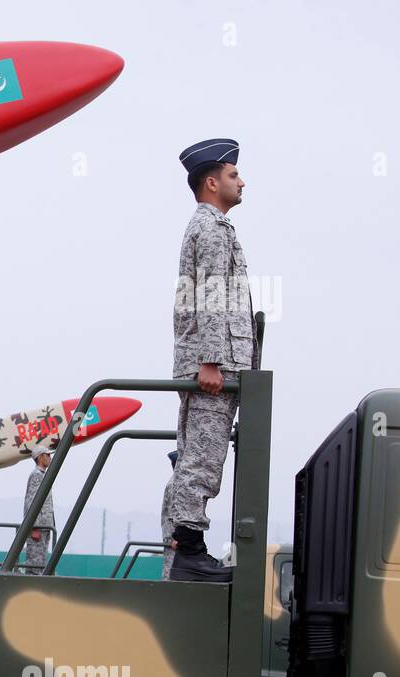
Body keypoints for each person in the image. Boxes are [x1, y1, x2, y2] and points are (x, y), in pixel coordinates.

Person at [165, 138, 260, 582]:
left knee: (199, 455)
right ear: (211, 182)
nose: (241, 181)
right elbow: (211, 296)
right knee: (202, 459)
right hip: (213, 367)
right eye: (233, 175)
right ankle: (189, 550)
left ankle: (187, 548)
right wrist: (210, 361)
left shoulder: (213, 227)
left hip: (217, 362)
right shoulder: (211, 228)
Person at [23, 442, 56, 573]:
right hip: (39, 527)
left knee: (40, 561)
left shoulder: (42, 475)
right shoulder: (36, 475)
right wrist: (33, 527)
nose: (50, 458)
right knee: (35, 563)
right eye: (47, 455)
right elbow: (31, 502)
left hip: (45, 525)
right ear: (40, 457)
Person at [160, 449, 179, 579]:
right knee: (172, 575)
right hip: (174, 541)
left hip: (175, 539)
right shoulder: (175, 485)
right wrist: (176, 538)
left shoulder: (176, 483)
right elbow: (173, 515)